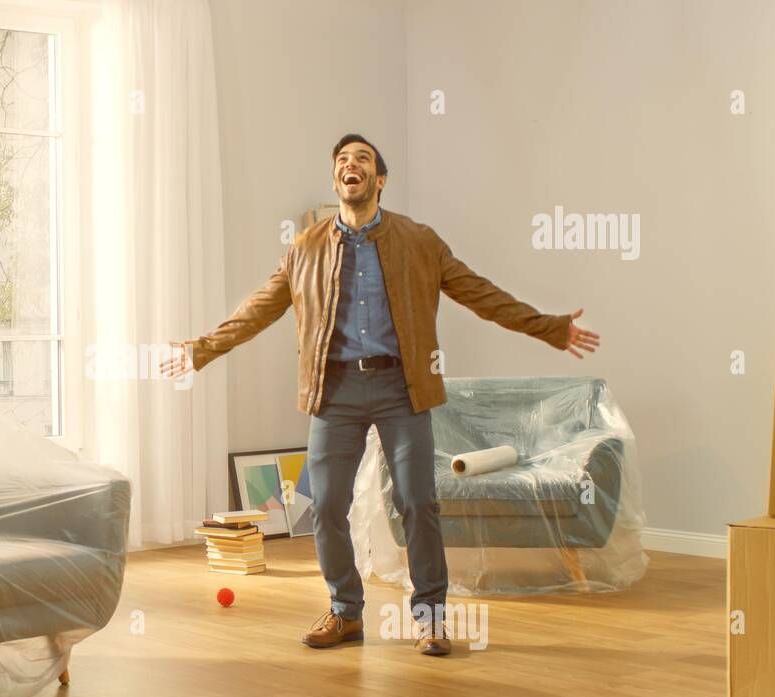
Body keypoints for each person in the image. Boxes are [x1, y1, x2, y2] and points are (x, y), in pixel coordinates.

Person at [160, 133, 600, 656]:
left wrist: (548, 327)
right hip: (335, 390)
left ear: (380, 180)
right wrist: (200, 349)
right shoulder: (306, 249)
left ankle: (431, 618)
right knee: (323, 506)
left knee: (418, 501)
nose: (352, 165)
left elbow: (481, 294)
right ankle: (346, 613)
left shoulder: (419, 241)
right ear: (337, 179)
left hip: (402, 386)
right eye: (343, 160)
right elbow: (258, 309)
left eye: (362, 159)